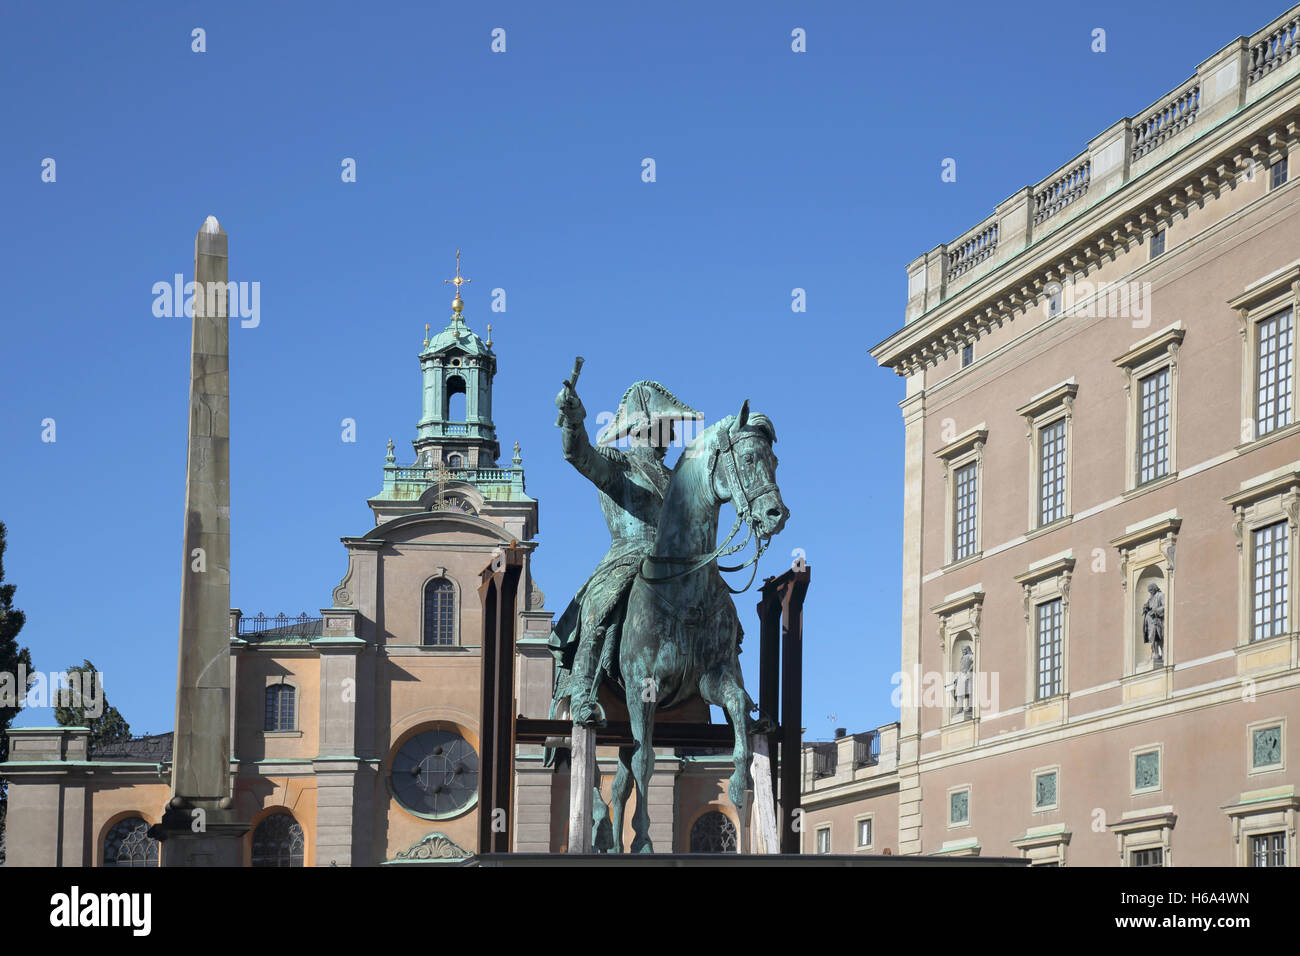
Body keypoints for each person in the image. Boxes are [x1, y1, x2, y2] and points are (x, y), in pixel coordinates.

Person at [547, 377, 703, 729]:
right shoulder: (619, 464)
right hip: (628, 556)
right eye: (668, 425)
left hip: (676, 564)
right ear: (646, 428)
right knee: (601, 609)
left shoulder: (678, 476)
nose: (674, 433)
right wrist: (573, 419)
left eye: (674, 426)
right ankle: (583, 693)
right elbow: (577, 454)